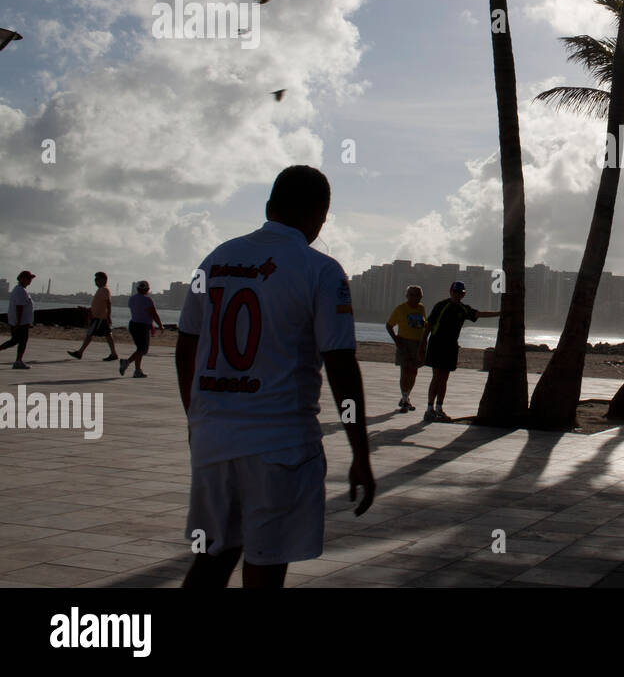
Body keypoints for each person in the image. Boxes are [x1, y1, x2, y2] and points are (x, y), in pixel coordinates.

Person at [175, 165, 374, 588]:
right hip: (280, 444)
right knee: (265, 570)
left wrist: (195, 416)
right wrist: (361, 452)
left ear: (268, 207)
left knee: (211, 558)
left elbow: (186, 345)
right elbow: (340, 363)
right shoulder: (320, 270)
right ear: (322, 214)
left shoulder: (215, 259)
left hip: (213, 439)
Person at [420, 281, 500, 423]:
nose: (458, 294)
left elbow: (479, 314)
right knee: (437, 376)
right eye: (456, 292)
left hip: (451, 346)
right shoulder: (441, 306)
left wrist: (499, 313)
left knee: (444, 378)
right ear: (451, 291)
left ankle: (439, 408)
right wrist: (422, 343)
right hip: (437, 345)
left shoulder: (463, 309)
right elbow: (429, 325)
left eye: (460, 292)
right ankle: (429, 408)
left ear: (464, 294)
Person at [386, 285, 426, 413]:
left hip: (418, 344)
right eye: (412, 295)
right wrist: (397, 340)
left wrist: (424, 343)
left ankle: (406, 397)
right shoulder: (401, 309)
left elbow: (424, 326)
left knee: (413, 371)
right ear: (407, 296)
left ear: (421, 297)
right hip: (404, 343)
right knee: (405, 371)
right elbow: (389, 325)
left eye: (417, 295)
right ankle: (404, 399)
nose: (414, 298)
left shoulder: (421, 308)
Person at [67, 271, 120, 362]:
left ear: (103, 280)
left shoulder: (104, 290)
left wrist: (108, 316)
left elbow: (108, 303)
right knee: (107, 335)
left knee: (90, 334)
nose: (96, 281)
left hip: (100, 318)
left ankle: (80, 352)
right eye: (95, 280)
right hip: (98, 317)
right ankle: (113, 354)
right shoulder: (100, 290)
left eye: (97, 279)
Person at [122, 280, 164, 378]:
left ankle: (137, 370)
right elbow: (153, 314)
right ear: (147, 290)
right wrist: (160, 325)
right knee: (143, 350)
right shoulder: (147, 300)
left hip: (133, 325)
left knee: (139, 349)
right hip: (142, 326)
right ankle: (127, 362)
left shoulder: (132, 299)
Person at [2, 269, 36, 369]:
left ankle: (18, 360)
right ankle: (18, 361)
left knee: (16, 340)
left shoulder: (20, 289)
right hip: (21, 322)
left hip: (22, 321)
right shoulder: (20, 291)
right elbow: (19, 307)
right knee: (20, 341)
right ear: (22, 279)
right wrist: (18, 322)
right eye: (28, 278)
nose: (30, 280)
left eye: (30, 279)